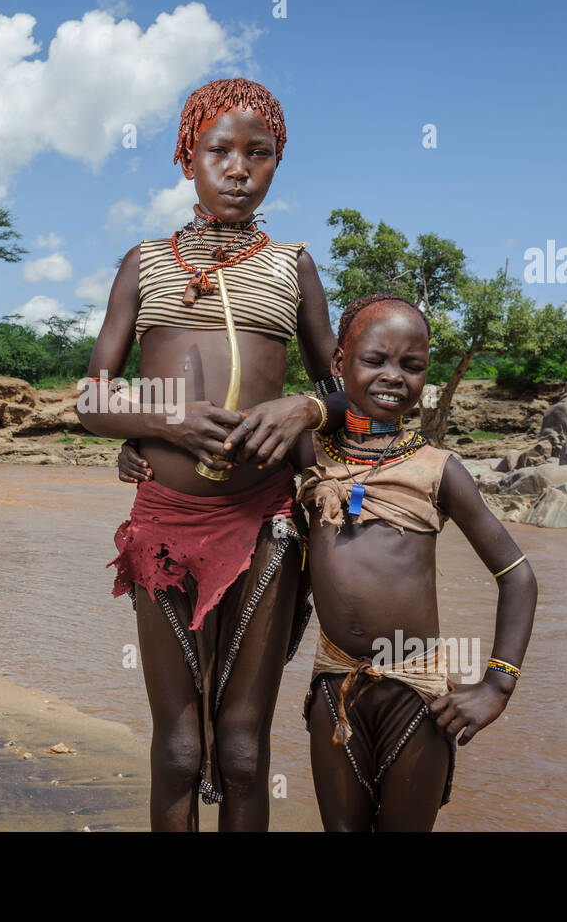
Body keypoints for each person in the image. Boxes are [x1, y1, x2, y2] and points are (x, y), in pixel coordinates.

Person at [120, 292, 539, 831]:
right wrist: (143, 442)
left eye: (412, 366)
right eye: (375, 360)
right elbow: (227, 447)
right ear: (339, 363)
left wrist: (496, 685)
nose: (394, 377)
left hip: (416, 690)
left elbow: (516, 576)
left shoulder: (438, 469)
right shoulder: (310, 453)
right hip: (334, 683)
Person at [80, 77, 348, 831]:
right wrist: (164, 421)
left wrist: (304, 404)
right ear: (186, 158)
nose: (238, 169)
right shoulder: (145, 261)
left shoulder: (292, 264)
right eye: (218, 152)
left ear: (277, 164)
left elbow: (346, 393)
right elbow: (91, 397)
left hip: (265, 522)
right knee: (175, 747)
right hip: (163, 523)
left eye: (258, 155)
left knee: (240, 747)